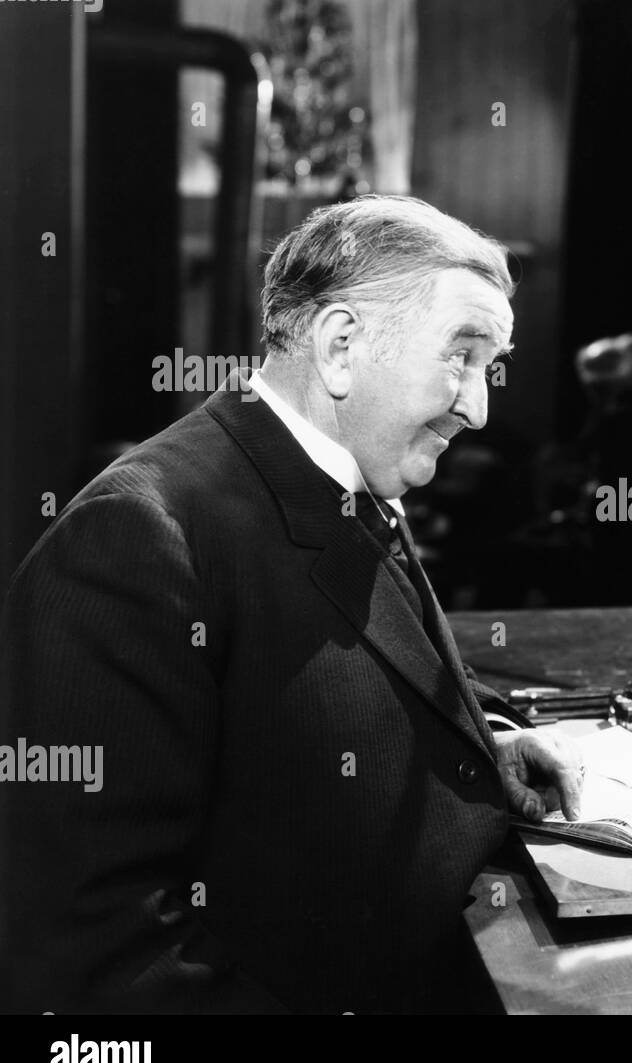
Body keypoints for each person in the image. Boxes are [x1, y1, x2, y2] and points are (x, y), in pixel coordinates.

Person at [0, 195, 584, 1013]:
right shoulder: (134, 538)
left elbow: (341, 679)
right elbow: (95, 948)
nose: (477, 407)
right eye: (462, 356)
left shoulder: (337, 472)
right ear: (341, 346)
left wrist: (486, 743)